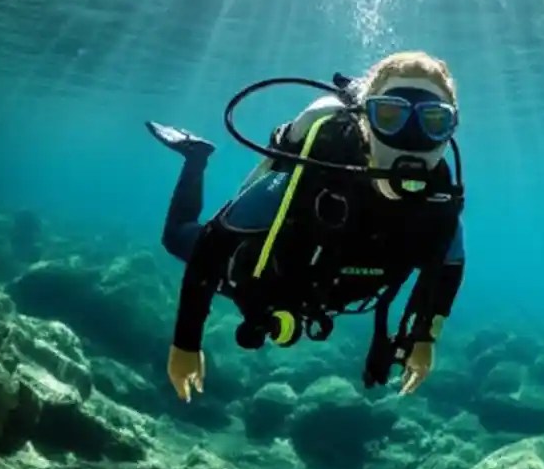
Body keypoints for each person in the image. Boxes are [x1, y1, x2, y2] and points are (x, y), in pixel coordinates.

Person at [146, 51, 467, 402]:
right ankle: (196, 157)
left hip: (321, 292)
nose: (411, 140)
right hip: (258, 272)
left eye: (434, 121)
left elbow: (449, 270)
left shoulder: (439, 206)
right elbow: (213, 243)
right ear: (364, 120)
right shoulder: (316, 178)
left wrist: (423, 339)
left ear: (451, 128)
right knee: (176, 236)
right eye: (389, 116)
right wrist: (185, 343)